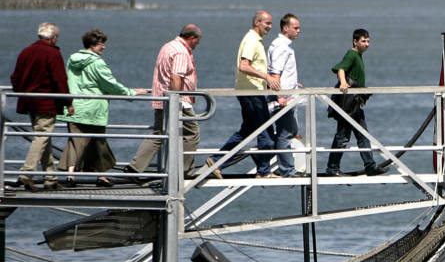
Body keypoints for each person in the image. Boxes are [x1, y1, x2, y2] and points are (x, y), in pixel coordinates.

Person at [57, 29, 147, 186]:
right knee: (99, 142)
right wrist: (131, 93)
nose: (104, 47)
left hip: (73, 106)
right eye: (101, 44)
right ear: (92, 45)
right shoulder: (97, 63)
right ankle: (101, 176)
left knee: (75, 141)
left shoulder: (72, 60)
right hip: (93, 108)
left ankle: (71, 176)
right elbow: (110, 84)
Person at [127, 24, 214, 180]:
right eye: (197, 41)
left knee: (159, 133)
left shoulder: (168, 46)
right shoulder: (181, 52)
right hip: (177, 101)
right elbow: (176, 77)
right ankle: (184, 171)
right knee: (192, 134)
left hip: (161, 99)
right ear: (192, 38)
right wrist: (177, 100)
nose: (197, 45)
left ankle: (135, 167)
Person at [214, 10, 280, 178]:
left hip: (250, 92)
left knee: (248, 131)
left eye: (271, 23)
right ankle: (264, 171)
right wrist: (266, 77)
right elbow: (243, 66)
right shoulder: (252, 41)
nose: (270, 27)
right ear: (257, 22)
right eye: (267, 23)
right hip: (251, 93)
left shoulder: (255, 40)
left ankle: (215, 162)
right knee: (265, 131)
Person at [9, 22, 73, 191]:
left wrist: (22, 91)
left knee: (43, 138)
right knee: (42, 137)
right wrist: (68, 102)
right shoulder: (52, 53)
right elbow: (60, 80)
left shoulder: (26, 52)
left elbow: (15, 77)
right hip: (46, 102)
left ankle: (50, 178)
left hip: (29, 101)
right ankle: (26, 173)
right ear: (53, 38)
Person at [325, 28, 386, 176]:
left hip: (355, 105)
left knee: (362, 135)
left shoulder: (358, 56)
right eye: (363, 41)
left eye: (368, 41)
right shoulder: (352, 54)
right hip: (349, 105)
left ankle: (370, 166)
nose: (367, 44)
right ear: (355, 41)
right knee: (343, 137)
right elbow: (340, 68)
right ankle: (332, 168)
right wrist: (343, 82)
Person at [268, 13, 303, 177]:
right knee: (286, 132)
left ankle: (283, 166)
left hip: (289, 94)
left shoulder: (285, 45)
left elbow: (284, 72)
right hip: (283, 98)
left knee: (288, 130)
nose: (299, 31)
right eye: (295, 28)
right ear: (285, 28)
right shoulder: (281, 46)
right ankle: (287, 170)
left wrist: (295, 84)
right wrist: (279, 96)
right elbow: (275, 73)